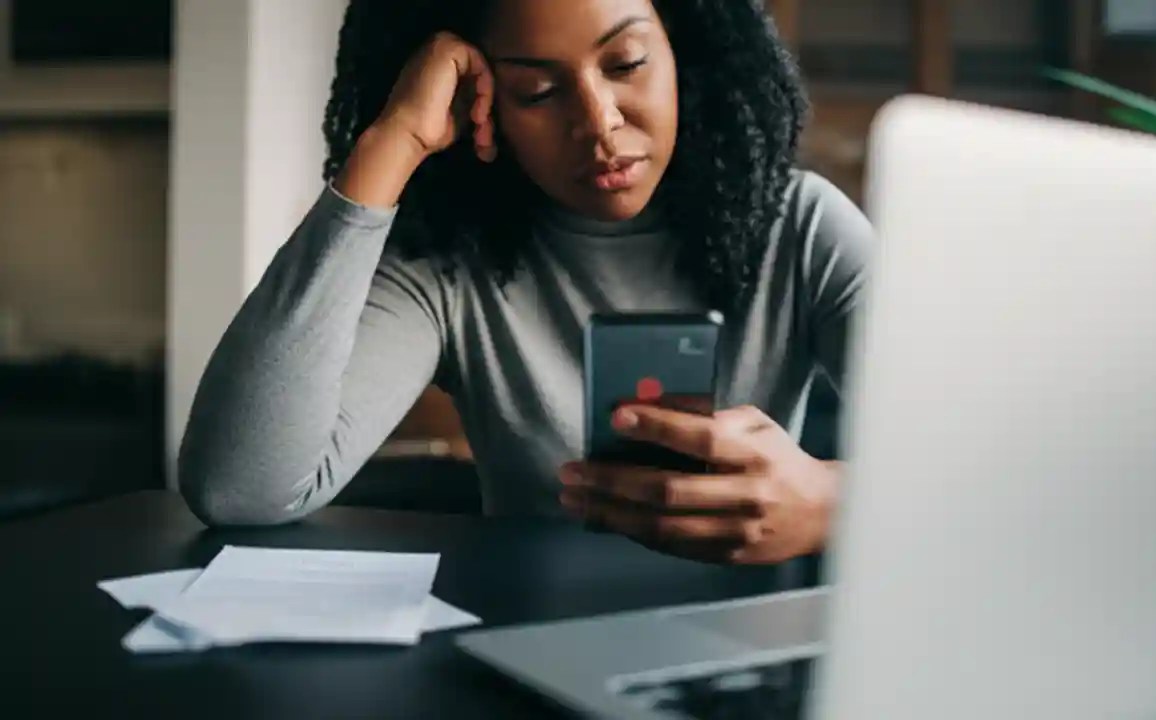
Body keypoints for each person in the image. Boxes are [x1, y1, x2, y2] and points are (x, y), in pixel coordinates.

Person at [178, 0, 874, 566]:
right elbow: (240, 487)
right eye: (537, 91)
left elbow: (971, 462)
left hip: (750, 656)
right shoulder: (452, 263)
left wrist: (835, 501)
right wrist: (390, 145)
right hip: (525, 648)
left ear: (683, 50)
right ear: (484, 105)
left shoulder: (801, 226)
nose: (598, 122)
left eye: (626, 63)